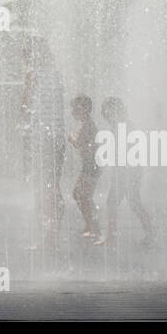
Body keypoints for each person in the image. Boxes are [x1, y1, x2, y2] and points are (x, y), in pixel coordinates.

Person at [95, 96, 153, 247]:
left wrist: (120, 172)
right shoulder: (122, 125)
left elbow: (126, 151)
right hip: (129, 171)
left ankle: (112, 237)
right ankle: (149, 233)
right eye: (105, 113)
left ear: (117, 111)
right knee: (132, 203)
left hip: (128, 171)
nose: (107, 116)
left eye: (109, 112)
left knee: (114, 203)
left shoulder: (124, 126)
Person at [68, 95, 100, 238]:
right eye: (72, 107)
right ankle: (90, 224)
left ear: (86, 109)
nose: (73, 111)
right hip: (88, 164)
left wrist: (71, 137)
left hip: (92, 164)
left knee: (84, 196)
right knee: (79, 194)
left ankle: (94, 226)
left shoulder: (87, 124)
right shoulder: (85, 123)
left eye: (77, 107)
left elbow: (78, 142)